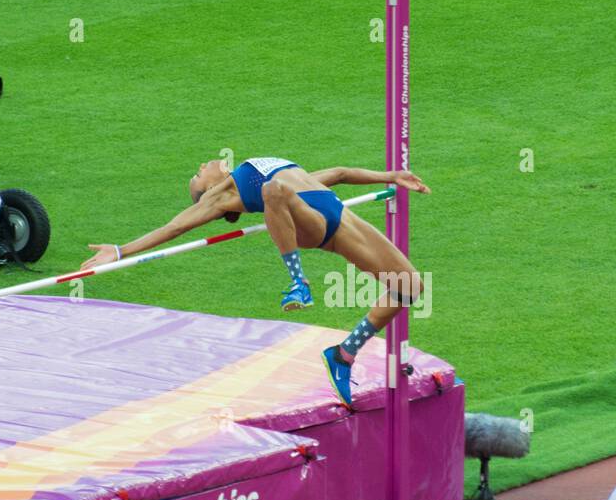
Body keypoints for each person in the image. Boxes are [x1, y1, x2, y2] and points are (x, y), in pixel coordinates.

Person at [81, 156, 430, 406]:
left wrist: (390, 175)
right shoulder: (220, 197)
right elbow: (175, 227)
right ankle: (298, 282)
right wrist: (121, 250)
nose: (202, 165)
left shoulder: (257, 167)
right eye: (197, 174)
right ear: (207, 191)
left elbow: (337, 173)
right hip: (310, 223)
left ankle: (344, 353)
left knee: (410, 286)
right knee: (274, 190)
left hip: (338, 216)